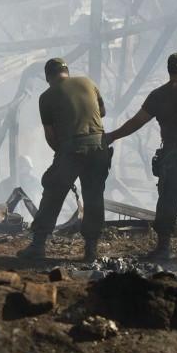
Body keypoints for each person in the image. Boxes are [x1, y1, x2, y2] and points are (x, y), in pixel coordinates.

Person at [105, 52, 177, 260]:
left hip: (171, 153)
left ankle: (163, 247)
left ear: (170, 71)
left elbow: (136, 122)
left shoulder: (157, 95)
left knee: (168, 199)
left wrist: (112, 136)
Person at [17, 58, 111, 261]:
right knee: (94, 196)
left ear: (48, 77)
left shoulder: (46, 96)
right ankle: (91, 250)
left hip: (71, 149)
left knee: (53, 192)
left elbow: (50, 135)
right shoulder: (88, 82)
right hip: (99, 147)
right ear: (67, 72)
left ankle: (38, 245)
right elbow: (102, 112)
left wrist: (62, 156)